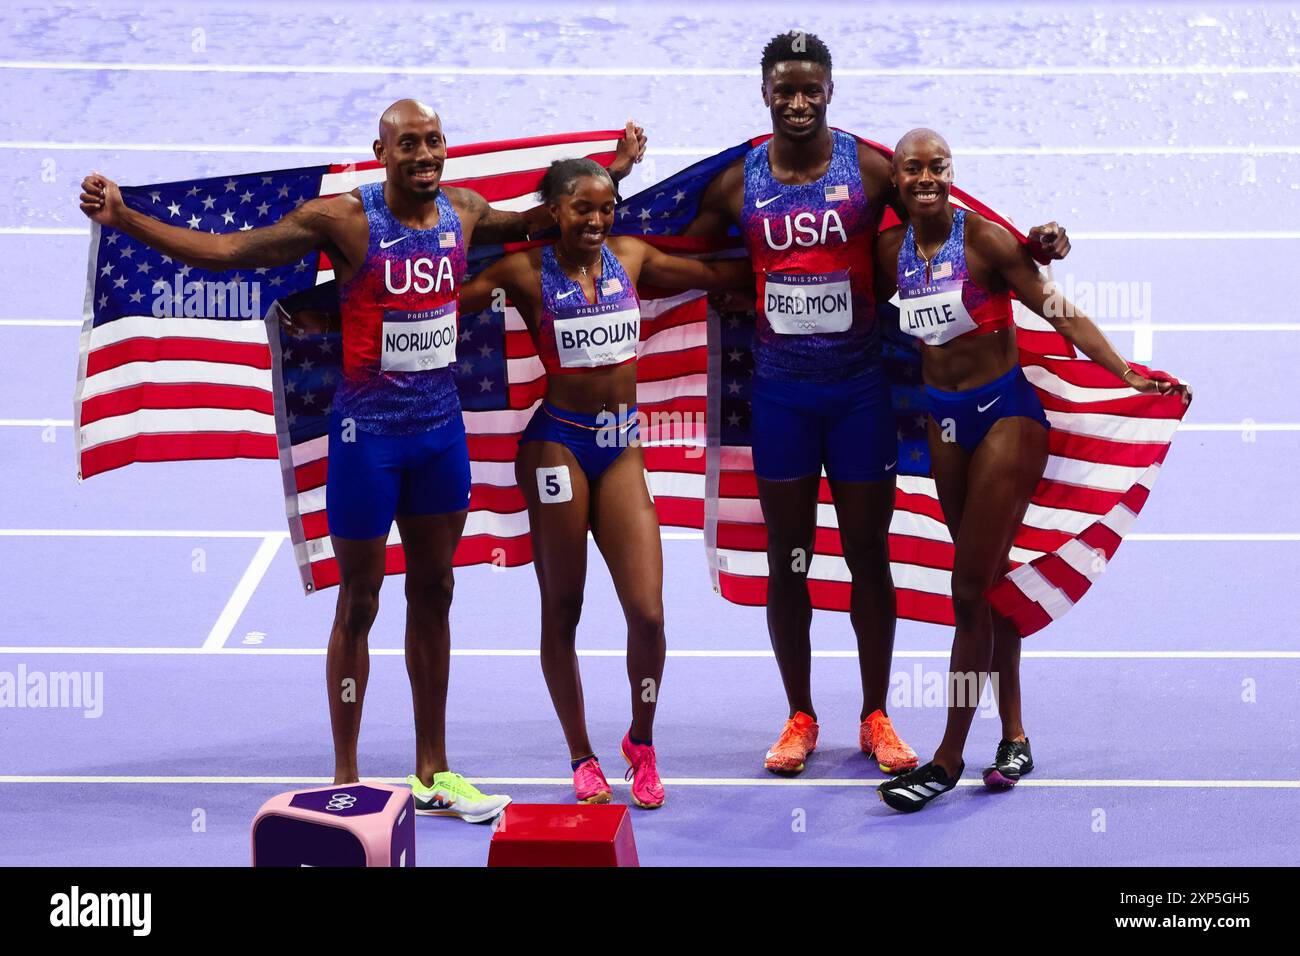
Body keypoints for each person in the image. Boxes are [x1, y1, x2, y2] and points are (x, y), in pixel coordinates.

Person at [78, 100, 646, 823]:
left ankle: (432, 770)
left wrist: (615, 171)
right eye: (408, 144)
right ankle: (345, 775)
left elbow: (542, 221)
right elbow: (228, 252)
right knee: (362, 601)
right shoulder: (342, 219)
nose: (424, 155)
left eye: (434, 141)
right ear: (380, 151)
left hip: (440, 436)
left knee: (435, 591)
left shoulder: (463, 211)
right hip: (366, 442)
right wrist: (125, 219)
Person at [682, 31, 1072, 775]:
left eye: (811, 88)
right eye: (784, 89)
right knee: (787, 559)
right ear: (763, 93)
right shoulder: (737, 184)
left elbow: (950, 218)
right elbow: (683, 245)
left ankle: (875, 716)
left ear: (830, 91)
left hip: (859, 393)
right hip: (783, 397)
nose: (798, 101)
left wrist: (1037, 240)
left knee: (868, 555)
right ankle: (799, 716)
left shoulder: (871, 169)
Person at [874, 129, 1190, 812]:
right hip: (945, 426)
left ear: (952, 175)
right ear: (895, 180)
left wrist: (1123, 371)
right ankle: (1014, 735)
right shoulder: (888, 251)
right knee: (986, 585)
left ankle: (947, 757)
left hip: (1007, 420)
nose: (927, 178)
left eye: (939, 167)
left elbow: (1055, 308)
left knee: (966, 588)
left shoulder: (985, 241)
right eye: (913, 169)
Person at [460, 159, 751, 807]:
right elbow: (432, 306)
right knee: (563, 609)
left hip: (619, 449)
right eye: (582, 209)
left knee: (647, 615)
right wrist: (332, 312)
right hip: (555, 448)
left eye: (606, 207)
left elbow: (710, 276)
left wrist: (802, 272)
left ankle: (640, 742)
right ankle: (581, 754)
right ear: (553, 212)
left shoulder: (632, 257)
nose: (596, 220)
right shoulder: (523, 272)